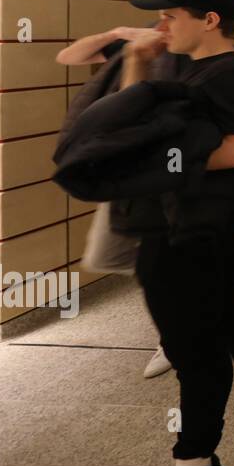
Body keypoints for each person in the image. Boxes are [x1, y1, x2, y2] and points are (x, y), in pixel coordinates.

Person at [121, 0, 234, 466]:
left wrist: (159, 161)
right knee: (226, 304)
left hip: (200, 219)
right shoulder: (189, 67)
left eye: (171, 16)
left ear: (210, 20)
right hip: (172, 215)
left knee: (195, 340)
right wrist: (136, 62)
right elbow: (128, 121)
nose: (161, 25)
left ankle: (194, 455)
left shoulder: (231, 75)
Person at [56, 24, 175, 381]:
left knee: (149, 259)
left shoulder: (185, 60)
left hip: (161, 174)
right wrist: (112, 35)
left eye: (172, 15)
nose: (163, 23)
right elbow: (68, 56)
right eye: (162, 17)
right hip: (123, 171)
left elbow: (136, 111)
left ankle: (173, 335)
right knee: (105, 256)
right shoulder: (129, 48)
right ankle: (185, 290)